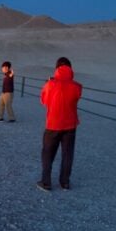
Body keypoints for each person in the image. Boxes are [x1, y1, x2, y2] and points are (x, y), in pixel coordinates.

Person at [38, 57, 82, 191]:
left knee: (48, 153)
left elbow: (44, 101)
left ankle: (46, 182)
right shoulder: (76, 86)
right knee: (67, 154)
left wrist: (48, 84)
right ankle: (65, 182)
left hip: (53, 124)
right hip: (70, 125)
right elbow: (76, 99)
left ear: (57, 68)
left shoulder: (50, 84)